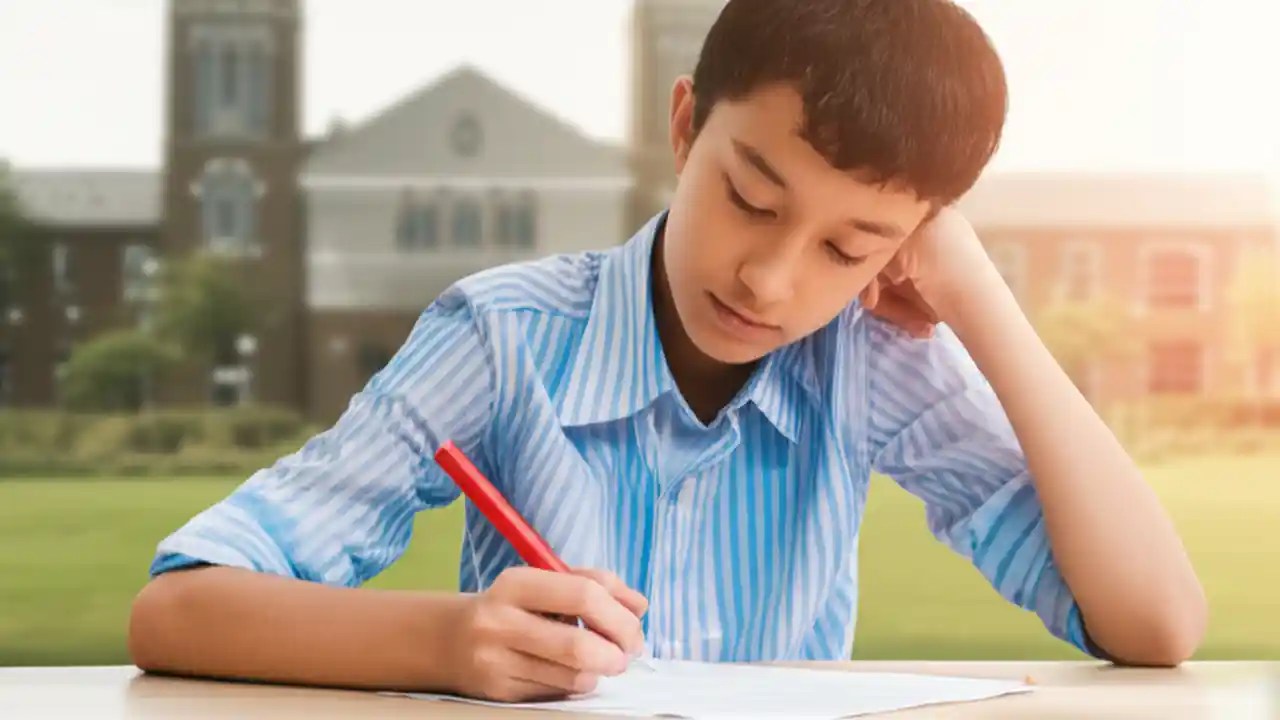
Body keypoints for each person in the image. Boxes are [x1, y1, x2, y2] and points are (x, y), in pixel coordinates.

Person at [128, 0, 1206, 702]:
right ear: (684, 128)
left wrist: (974, 294)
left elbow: (1153, 623)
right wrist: (449, 645)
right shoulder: (504, 335)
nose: (770, 280)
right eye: (748, 197)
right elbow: (178, 606)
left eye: (849, 245)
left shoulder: (869, 359)